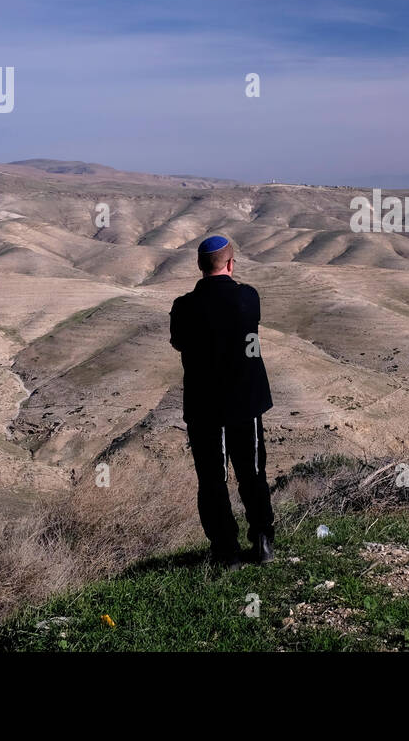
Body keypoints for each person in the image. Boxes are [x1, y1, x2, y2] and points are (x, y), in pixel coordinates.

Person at [170, 235, 275, 568]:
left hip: (205, 408)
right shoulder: (248, 298)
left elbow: (179, 342)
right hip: (246, 403)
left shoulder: (183, 307)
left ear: (199, 267)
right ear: (231, 264)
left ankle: (226, 553)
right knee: (253, 474)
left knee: (213, 481)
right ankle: (262, 542)